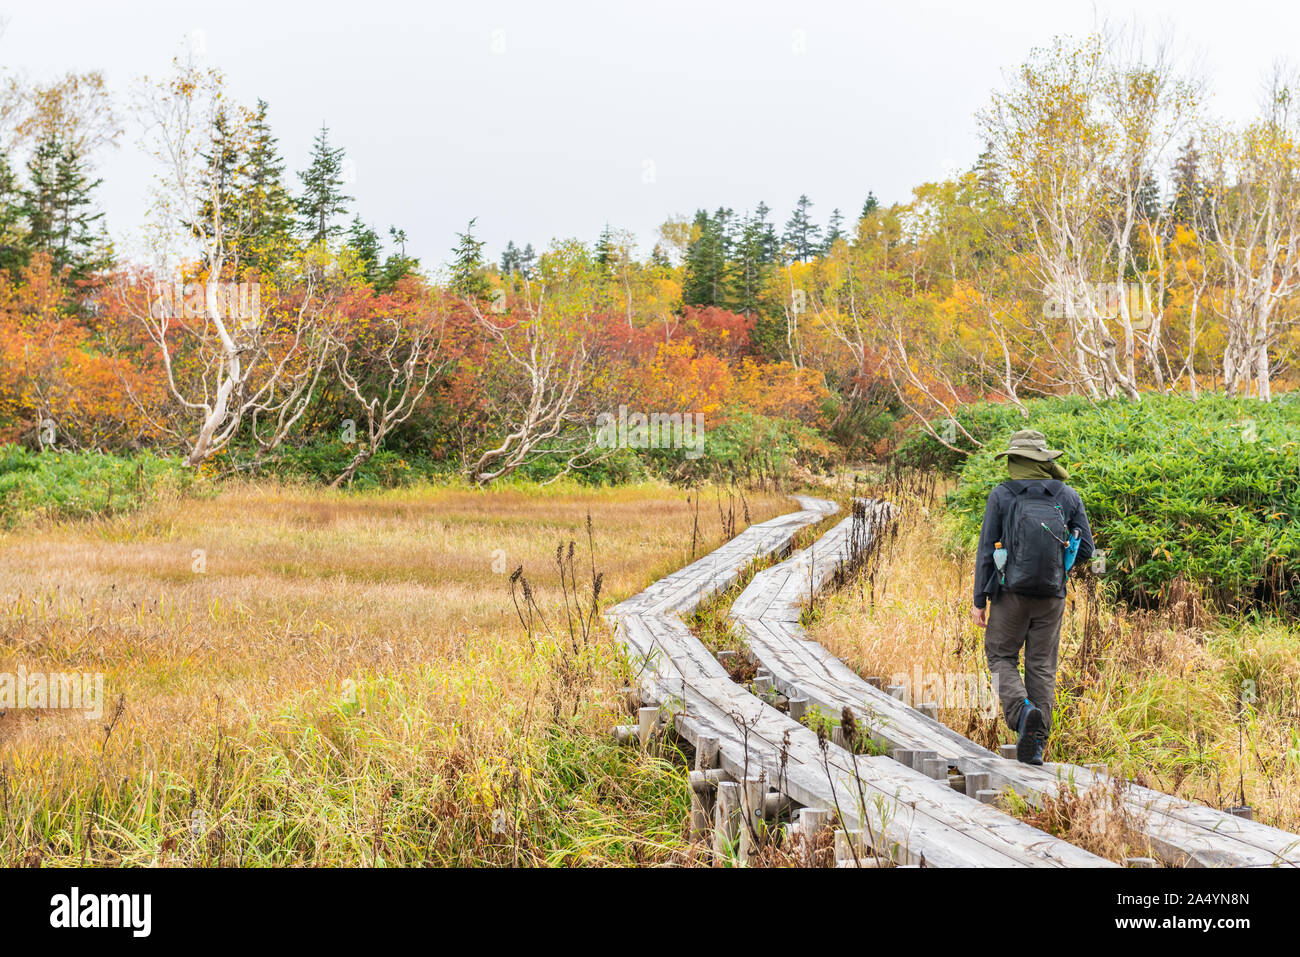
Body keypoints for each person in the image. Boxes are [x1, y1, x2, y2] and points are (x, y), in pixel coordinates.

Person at [970, 429, 1094, 765]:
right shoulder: (1067, 495)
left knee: (1000, 657)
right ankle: (1036, 748)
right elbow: (1087, 550)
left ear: (1014, 461)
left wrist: (980, 599)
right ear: (1043, 460)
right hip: (1052, 596)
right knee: (1041, 667)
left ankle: (1024, 714)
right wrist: (1059, 565)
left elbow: (986, 549)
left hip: (1010, 594)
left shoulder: (1002, 494)